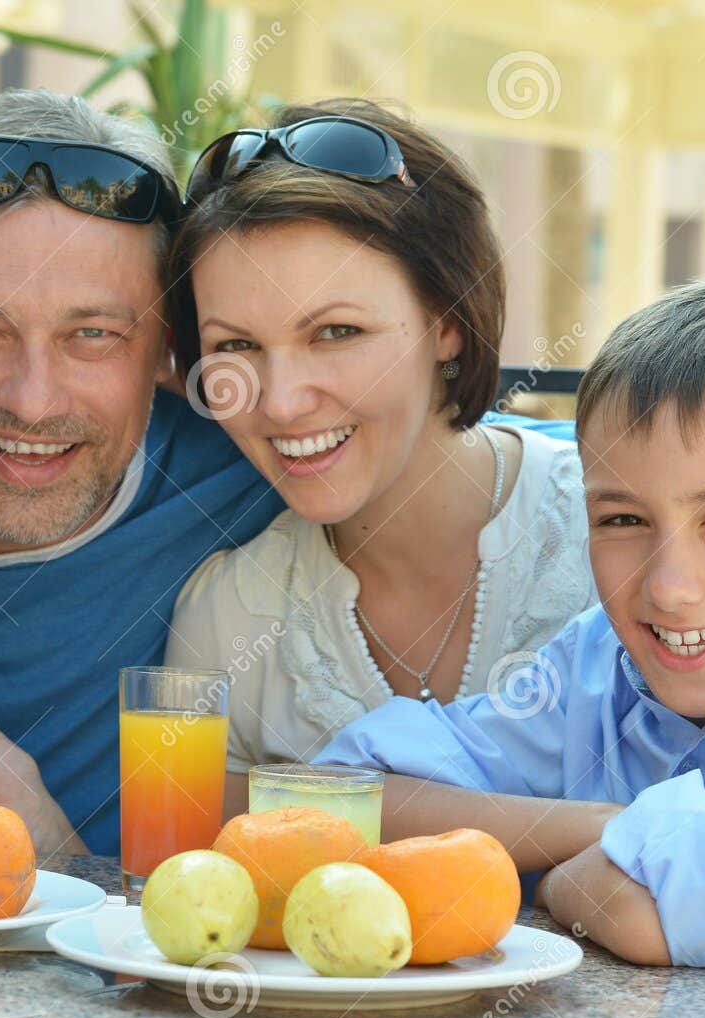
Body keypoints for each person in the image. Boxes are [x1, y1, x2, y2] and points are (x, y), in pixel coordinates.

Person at [316, 272, 705, 1018]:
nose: (669, 587)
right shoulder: (596, 669)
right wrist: (602, 828)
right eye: (622, 520)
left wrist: (550, 874)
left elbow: (651, 907)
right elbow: (339, 796)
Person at [0, 88, 283, 855]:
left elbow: (488, 460)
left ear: (167, 349)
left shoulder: (264, 466)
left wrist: (61, 862)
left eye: (92, 334)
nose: (32, 400)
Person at [161, 100, 595, 814]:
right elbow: (189, 835)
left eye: (336, 331)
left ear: (447, 323)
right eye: (236, 345)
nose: (282, 402)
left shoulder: (617, 531)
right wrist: (594, 828)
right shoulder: (229, 618)